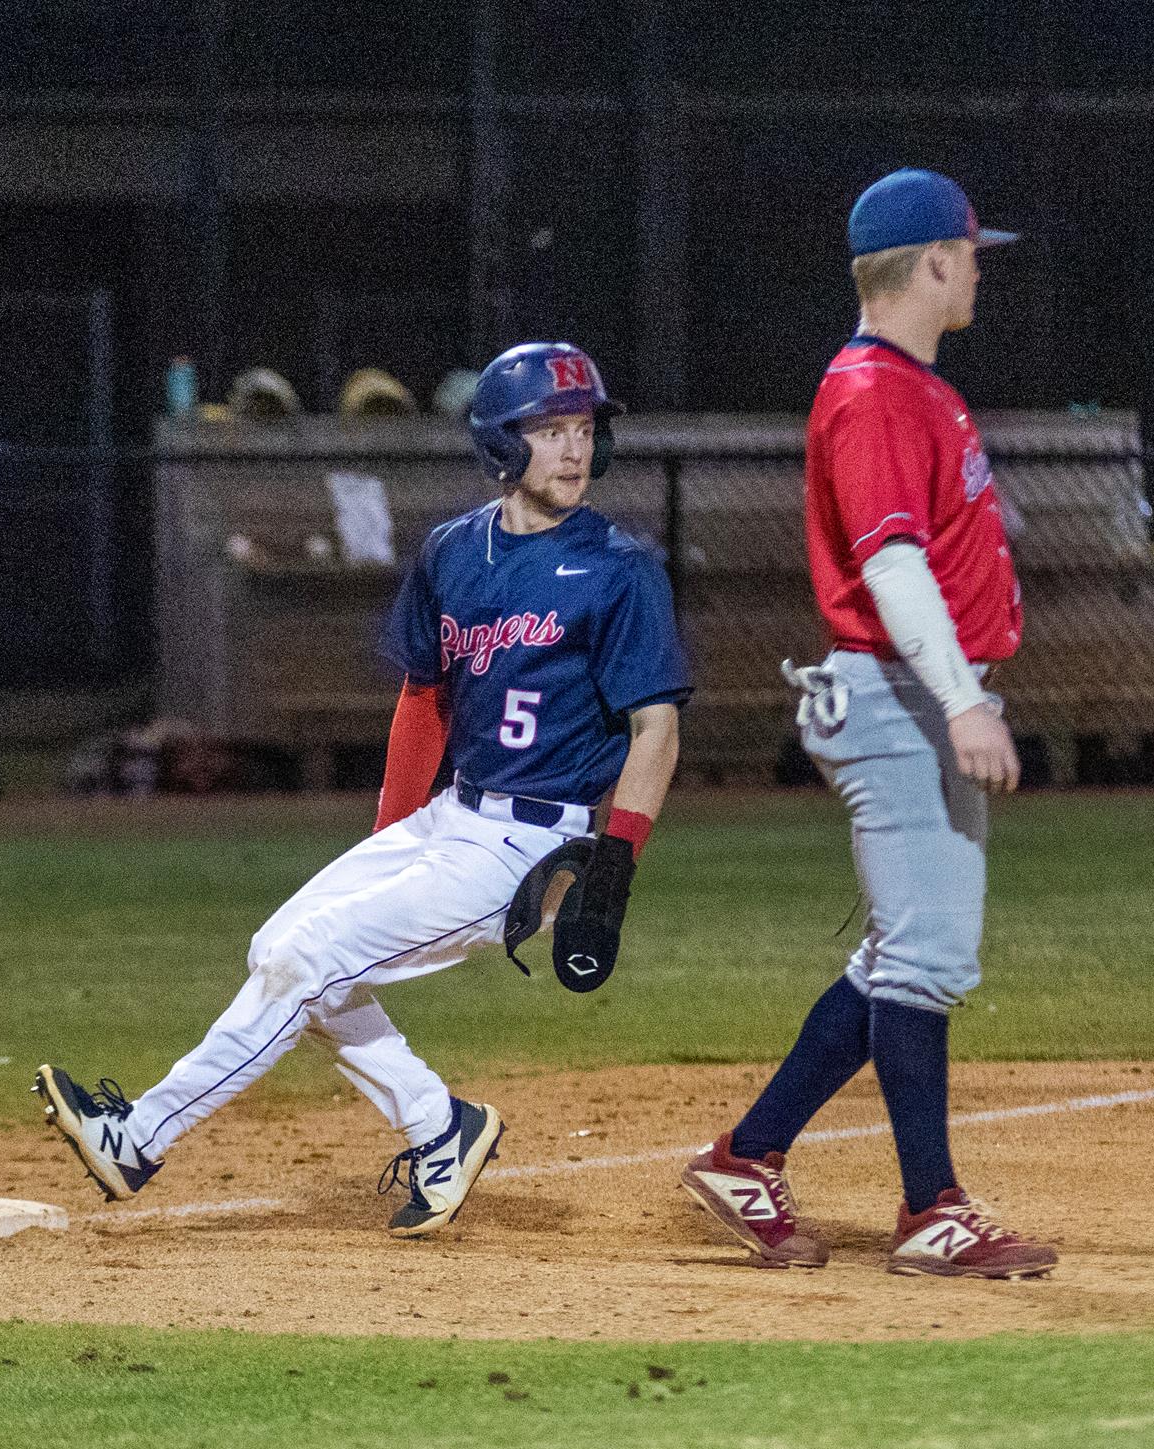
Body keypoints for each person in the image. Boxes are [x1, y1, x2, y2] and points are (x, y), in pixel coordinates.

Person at [36, 341, 691, 1236]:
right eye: (549, 431)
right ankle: (439, 1124)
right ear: (503, 443)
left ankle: (138, 1137)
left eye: (584, 430)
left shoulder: (621, 569)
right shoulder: (453, 551)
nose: (574, 450)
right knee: (283, 947)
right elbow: (423, 700)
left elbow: (658, 727)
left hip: (536, 847)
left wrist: (614, 865)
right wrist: (387, 840)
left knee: (312, 961)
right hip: (450, 819)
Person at [678, 169, 1058, 1279]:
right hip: (897, 698)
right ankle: (930, 1211)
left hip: (903, 695)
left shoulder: (905, 386)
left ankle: (745, 1158)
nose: (980, 269)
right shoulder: (874, 390)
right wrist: (962, 700)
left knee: (901, 956)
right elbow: (891, 565)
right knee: (927, 960)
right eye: (973, 253)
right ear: (933, 261)